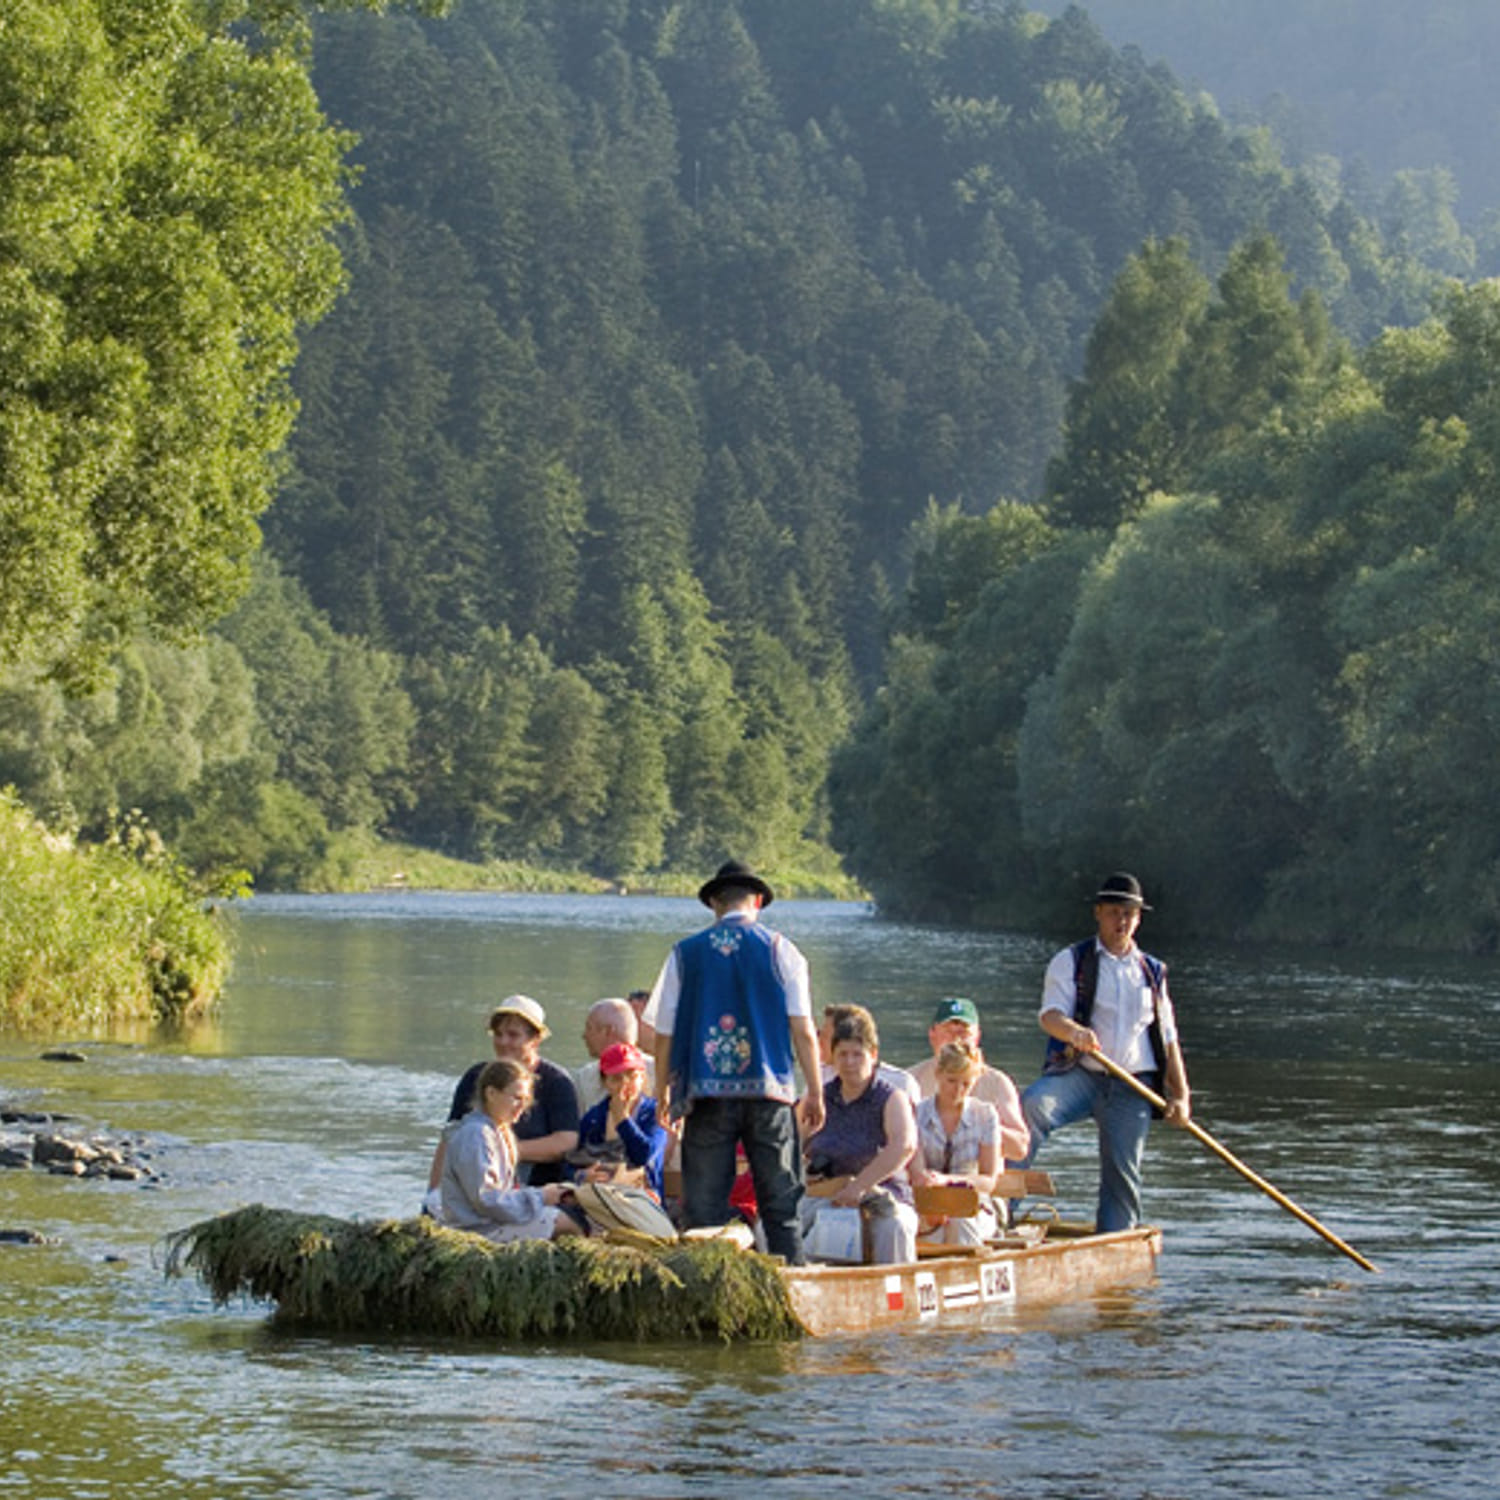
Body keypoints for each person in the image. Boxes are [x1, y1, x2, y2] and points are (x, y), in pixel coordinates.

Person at [644, 859, 824, 1263]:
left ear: (713, 904)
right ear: (757, 900)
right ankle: (792, 1280)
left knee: (704, 1206)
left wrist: (662, 1091)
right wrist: (814, 1089)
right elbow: (803, 1029)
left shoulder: (684, 954)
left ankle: (703, 1285)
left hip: (706, 1092)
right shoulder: (783, 950)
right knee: (781, 1202)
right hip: (770, 1091)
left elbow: (664, 1033)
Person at [1017, 873, 1191, 1232]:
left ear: (1139, 918)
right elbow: (1050, 1016)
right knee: (1031, 1107)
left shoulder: (1153, 973)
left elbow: (1168, 1037)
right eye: (1114, 912)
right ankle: (998, 1209)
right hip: (1079, 1075)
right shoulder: (1071, 960)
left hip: (1132, 1086)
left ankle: (1115, 1245)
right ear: (1098, 913)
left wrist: (1182, 1096)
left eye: (1129, 914)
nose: (1122, 921)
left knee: (1123, 1177)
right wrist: (1074, 1032)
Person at [427, 995, 580, 1198]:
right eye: (498, 1034)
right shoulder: (476, 1077)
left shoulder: (556, 1081)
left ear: (535, 1040)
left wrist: (506, 1150)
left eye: (513, 1035)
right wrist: (434, 1195)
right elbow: (450, 1138)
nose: (503, 1042)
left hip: (538, 1190)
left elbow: (567, 1142)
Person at [802, 1007, 919, 1263]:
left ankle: (896, 1296)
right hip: (829, 1196)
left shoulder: (891, 1098)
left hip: (883, 1198)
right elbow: (792, 1141)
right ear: (832, 1057)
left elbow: (904, 1145)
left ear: (873, 1056)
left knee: (895, 1227)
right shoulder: (820, 1098)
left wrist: (859, 1187)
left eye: (858, 1054)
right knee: (776, 1227)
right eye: (842, 1054)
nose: (850, 1062)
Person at [436, 1058, 583, 1242]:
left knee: (575, 1215)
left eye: (526, 1099)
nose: (522, 1107)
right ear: (491, 1093)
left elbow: (505, 1192)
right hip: (477, 1228)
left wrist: (552, 1194)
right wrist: (541, 1197)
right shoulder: (476, 1134)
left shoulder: (500, 1131)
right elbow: (486, 1199)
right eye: (516, 1098)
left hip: (491, 1220)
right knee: (566, 1223)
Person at [907, 997, 1028, 1163]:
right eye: (948, 1032)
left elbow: (1020, 1148)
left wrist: (981, 1126)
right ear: (932, 1034)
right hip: (922, 1177)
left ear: (977, 1037)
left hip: (978, 1178)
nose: (956, 1039)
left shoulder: (997, 1082)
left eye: (964, 1033)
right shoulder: (910, 1079)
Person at [910, 1041, 1003, 1247]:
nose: (958, 1090)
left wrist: (947, 1181)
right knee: (928, 1230)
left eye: (966, 1084)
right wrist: (931, 1197)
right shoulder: (917, 1113)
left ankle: (965, 1272)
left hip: (973, 1204)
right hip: (926, 1201)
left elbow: (989, 1180)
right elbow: (916, 1172)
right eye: (952, 1081)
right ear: (938, 1074)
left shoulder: (986, 1115)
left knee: (961, 1222)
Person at [571, 1041, 669, 1201]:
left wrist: (623, 1119)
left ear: (642, 1078)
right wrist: (583, 1175)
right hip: (602, 1196)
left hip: (644, 1198)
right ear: (605, 1082)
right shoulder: (594, 1117)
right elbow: (573, 1162)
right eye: (616, 1079)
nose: (625, 1084)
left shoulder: (655, 1113)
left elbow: (645, 1155)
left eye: (632, 1076)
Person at [818, 1003, 921, 1105]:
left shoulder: (900, 1083)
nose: (818, 1041)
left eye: (825, 1036)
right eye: (819, 1034)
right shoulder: (819, 1078)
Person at [573, 997, 654, 1113]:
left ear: (608, 1031)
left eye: (589, 1028)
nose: (584, 1035)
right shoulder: (584, 1077)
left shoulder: (660, 1075)